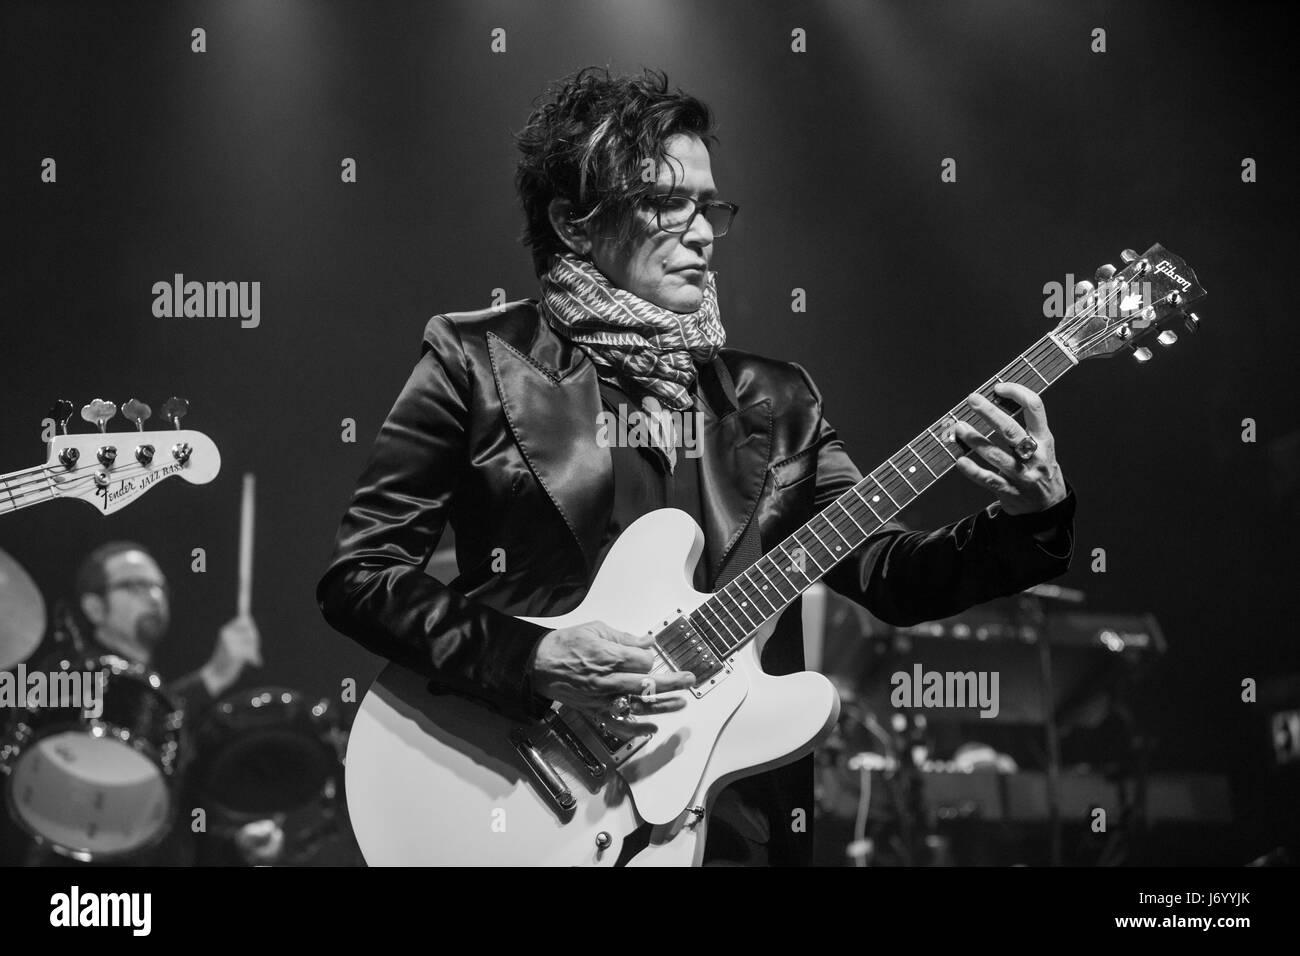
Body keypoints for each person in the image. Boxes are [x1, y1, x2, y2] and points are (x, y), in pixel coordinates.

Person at [316, 66, 1077, 866]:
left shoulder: (775, 400)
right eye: (662, 203)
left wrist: (1033, 518)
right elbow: (361, 577)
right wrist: (533, 658)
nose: (703, 232)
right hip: (520, 786)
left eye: (707, 204)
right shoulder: (477, 362)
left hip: (733, 820)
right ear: (574, 224)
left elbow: (890, 573)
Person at [2, 541, 271, 865]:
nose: (153, 596)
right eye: (136, 586)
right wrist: (213, 676)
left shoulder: (167, 710)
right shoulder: (70, 676)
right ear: (94, 607)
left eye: (159, 587)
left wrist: (240, 845)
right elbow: (125, 738)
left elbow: (178, 822)